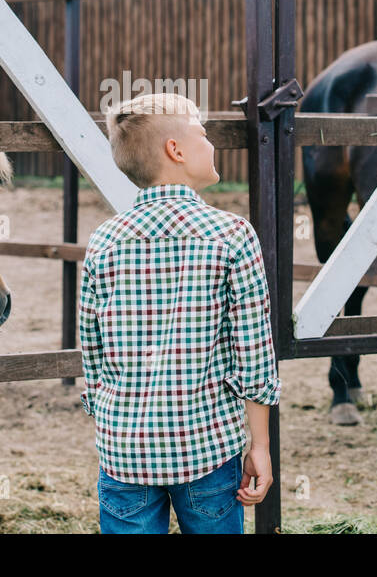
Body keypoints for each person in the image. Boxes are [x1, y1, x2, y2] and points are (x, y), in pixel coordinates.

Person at [78, 91, 281, 533]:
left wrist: (111, 420)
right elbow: (254, 353)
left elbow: (91, 353)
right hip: (206, 449)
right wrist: (259, 445)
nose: (212, 144)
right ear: (176, 150)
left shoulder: (103, 242)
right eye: (203, 134)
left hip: (124, 453)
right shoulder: (231, 235)